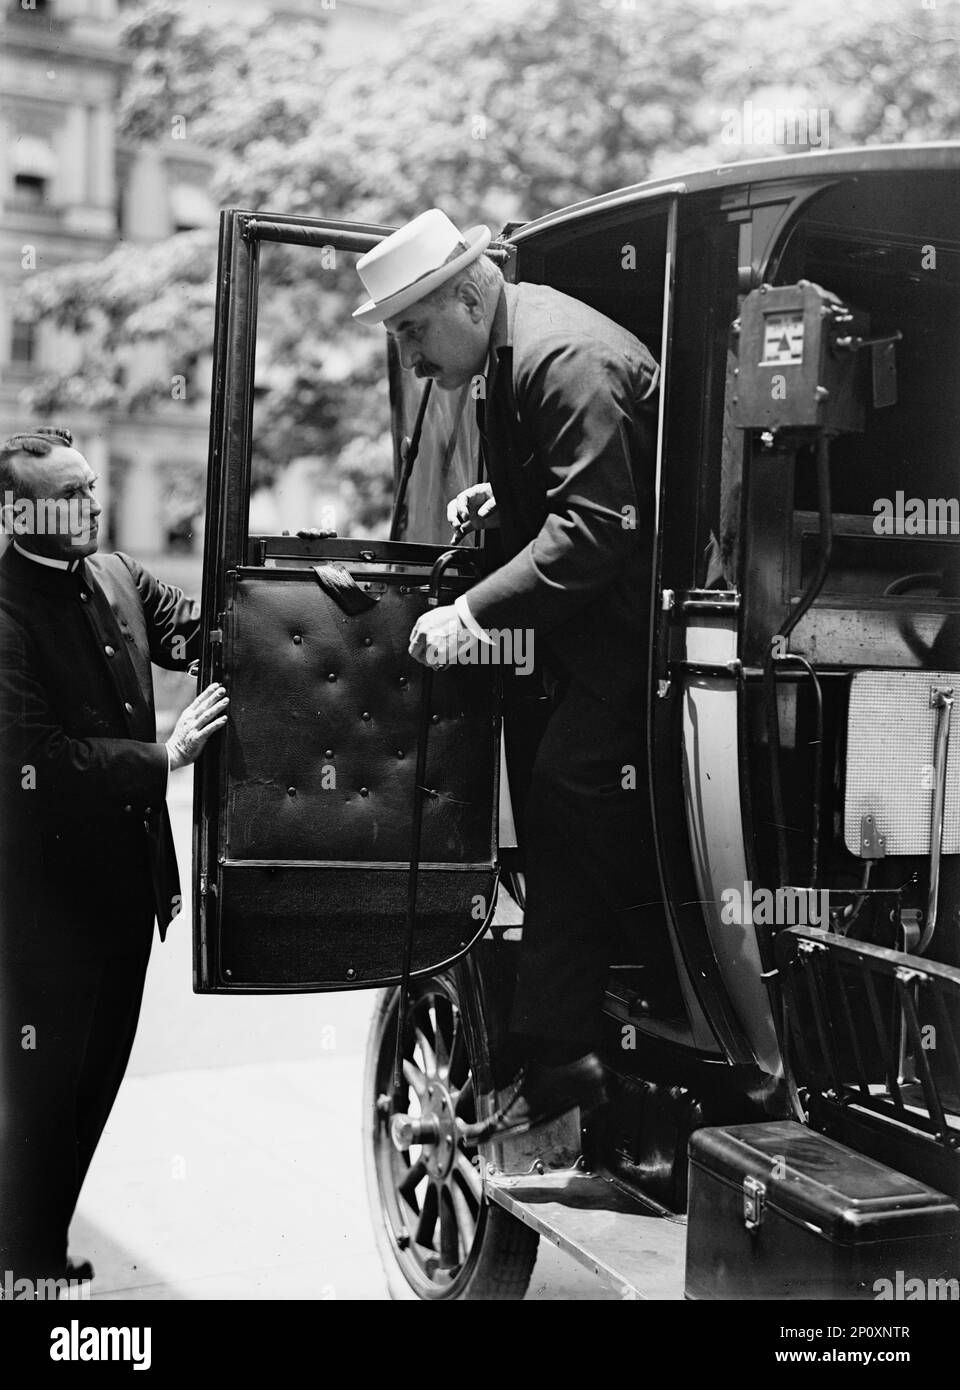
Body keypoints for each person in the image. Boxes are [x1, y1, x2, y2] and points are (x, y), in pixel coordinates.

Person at [353, 210, 659, 1137]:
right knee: (552, 794)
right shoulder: (506, 359)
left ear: (474, 292)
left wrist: (472, 610)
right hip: (593, 642)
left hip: (639, 645)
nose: (409, 359)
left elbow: (599, 528)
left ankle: (624, 1003)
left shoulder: (560, 357)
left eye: (412, 328)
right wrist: (505, 498)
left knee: (571, 788)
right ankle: (566, 1045)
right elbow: (571, 492)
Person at [0, 427, 227, 1296]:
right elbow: (34, 758)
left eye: (90, 487)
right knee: (41, 1090)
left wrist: (304, 598)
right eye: (69, 496)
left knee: (95, 1082)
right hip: (45, 904)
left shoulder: (118, 576)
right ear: (19, 510)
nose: (91, 505)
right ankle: (26, 1264)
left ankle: (39, 1252)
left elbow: (205, 632)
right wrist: (164, 758)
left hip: (127, 889)